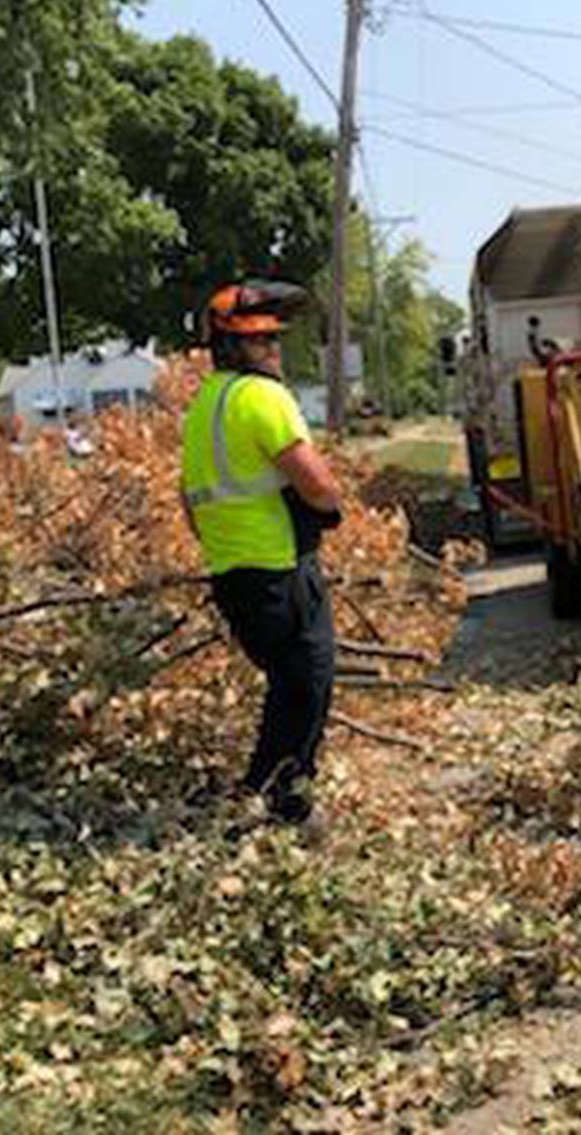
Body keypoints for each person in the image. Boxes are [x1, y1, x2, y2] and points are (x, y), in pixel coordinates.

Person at [179, 280, 344, 831]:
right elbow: (317, 484)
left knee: (287, 684)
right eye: (260, 343)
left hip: (234, 575)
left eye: (274, 340)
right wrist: (328, 503)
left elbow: (189, 501)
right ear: (231, 347)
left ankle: (257, 788)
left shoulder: (204, 406)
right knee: (309, 684)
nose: (272, 351)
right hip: (279, 569)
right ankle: (288, 806)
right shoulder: (262, 398)